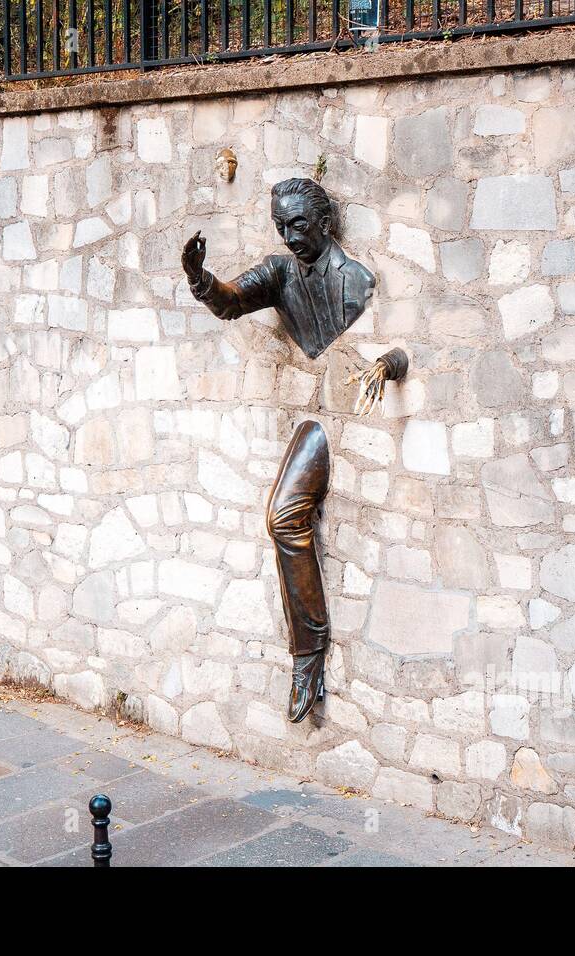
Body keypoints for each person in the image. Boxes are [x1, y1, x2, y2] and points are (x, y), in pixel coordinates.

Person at [181, 177, 409, 723]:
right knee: (282, 517)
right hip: (313, 417)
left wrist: (383, 364)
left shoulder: (356, 280)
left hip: (344, 420)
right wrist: (199, 279)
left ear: (325, 221)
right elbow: (232, 300)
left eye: (299, 225)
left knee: (285, 518)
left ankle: (309, 655)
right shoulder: (280, 271)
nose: (289, 237)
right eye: (281, 227)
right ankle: (308, 653)